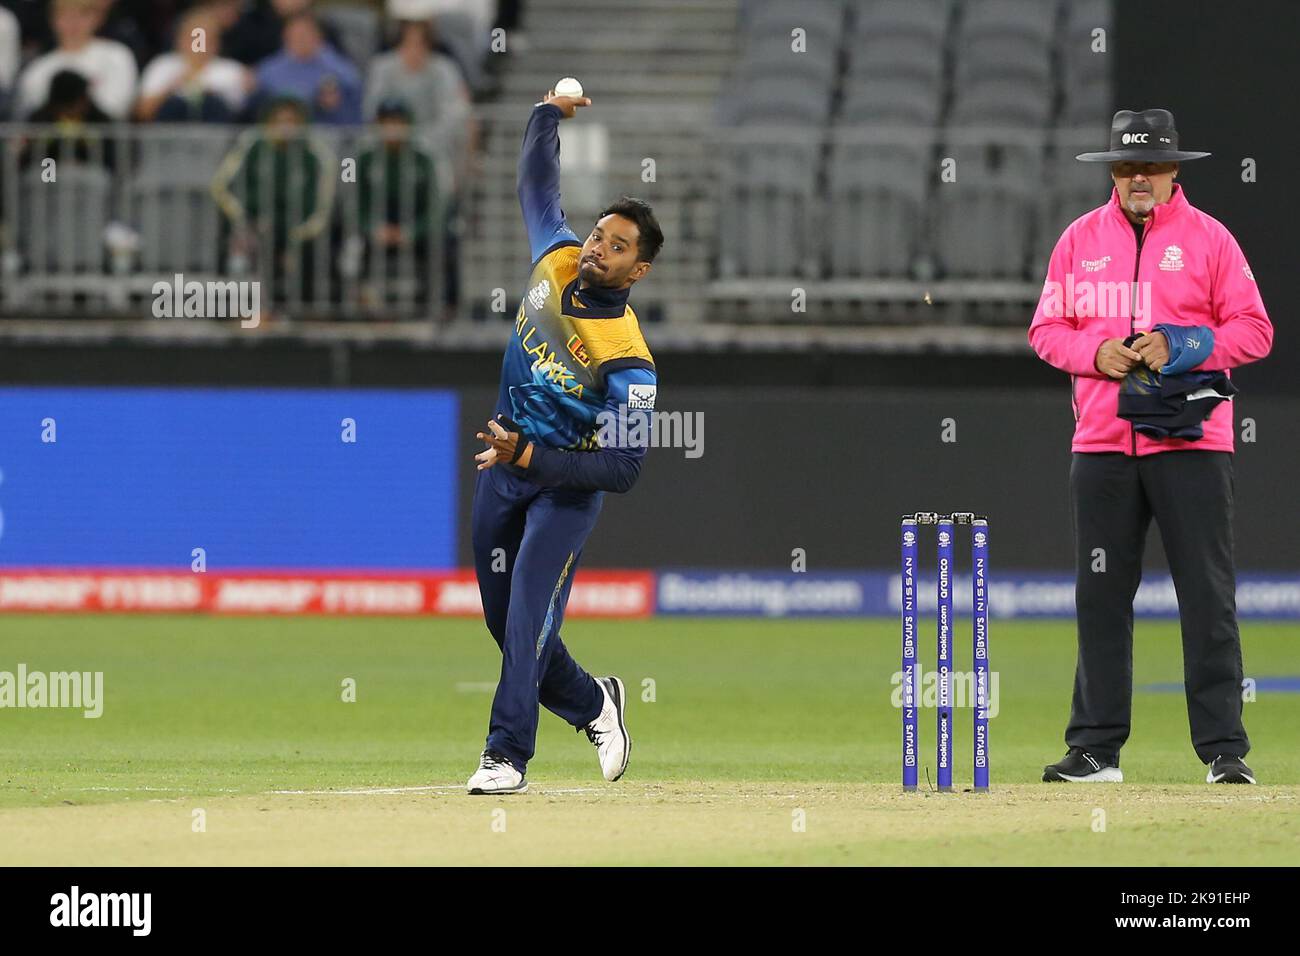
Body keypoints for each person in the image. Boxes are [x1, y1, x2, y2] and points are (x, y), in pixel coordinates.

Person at [1029, 109, 1273, 785]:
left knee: (1207, 595)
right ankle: (1096, 750)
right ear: (1113, 171)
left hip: (1191, 443)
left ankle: (1226, 752)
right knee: (1101, 597)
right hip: (1104, 445)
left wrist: (1182, 345)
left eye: (1153, 166)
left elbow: (1255, 331)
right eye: (1128, 167)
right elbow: (1046, 331)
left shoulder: (1210, 240)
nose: (1140, 178)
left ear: (1174, 172)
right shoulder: (1079, 240)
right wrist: (1095, 352)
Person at [465, 89, 663, 795]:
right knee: (504, 624)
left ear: (636, 272)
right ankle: (593, 703)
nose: (597, 248)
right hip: (503, 473)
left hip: (565, 493)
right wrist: (547, 114)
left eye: (616, 247)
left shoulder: (631, 363)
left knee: (524, 621)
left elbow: (624, 467)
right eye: (599, 235)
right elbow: (534, 183)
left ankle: (506, 754)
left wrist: (535, 458)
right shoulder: (553, 258)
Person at [15, 0, 138, 119]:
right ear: (52, 19)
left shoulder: (117, 56)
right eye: (65, 15)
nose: (73, 23)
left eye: (82, 15)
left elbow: (117, 109)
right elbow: (31, 118)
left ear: (97, 18)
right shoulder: (36, 70)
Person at [135, 6, 252, 122]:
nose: (198, 45)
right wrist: (171, 87)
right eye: (194, 38)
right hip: (169, 135)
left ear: (217, 42)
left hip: (216, 134)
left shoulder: (232, 71)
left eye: (205, 38)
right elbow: (143, 112)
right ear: (180, 39)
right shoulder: (162, 66)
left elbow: (242, 112)